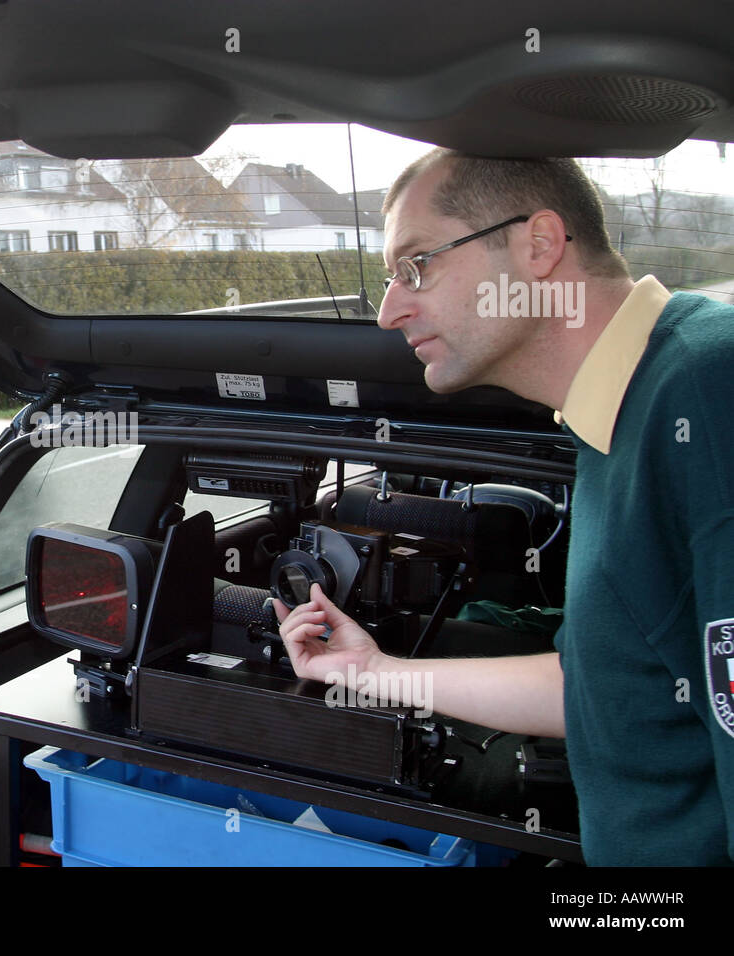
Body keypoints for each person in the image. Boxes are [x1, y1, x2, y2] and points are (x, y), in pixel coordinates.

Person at [273, 148, 734, 865]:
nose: (390, 310)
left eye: (416, 264)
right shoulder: (621, 410)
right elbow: (601, 683)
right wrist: (373, 672)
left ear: (539, 245)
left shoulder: (708, 392)